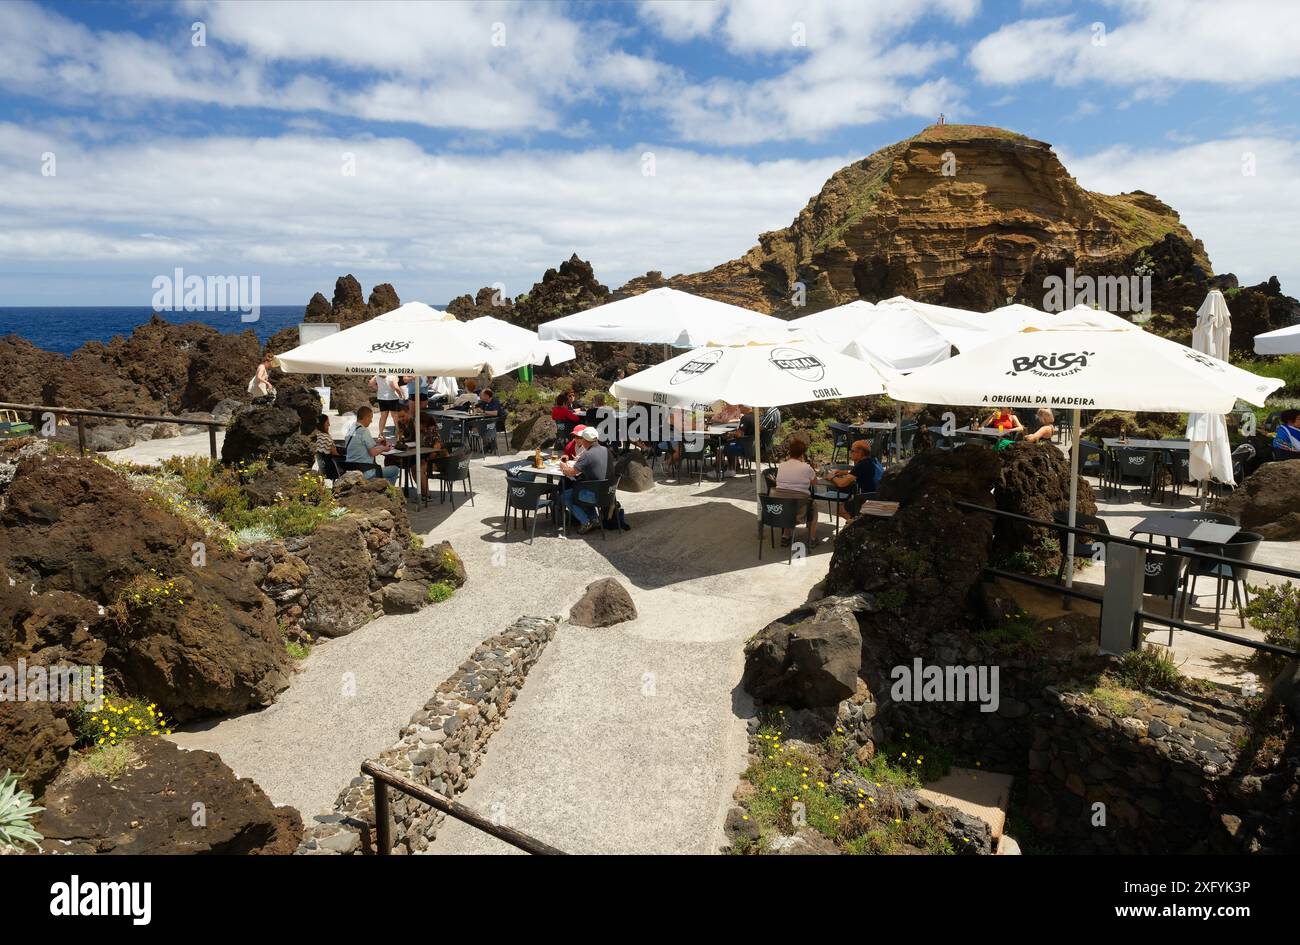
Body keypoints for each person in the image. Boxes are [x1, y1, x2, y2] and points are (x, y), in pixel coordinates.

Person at [559, 426, 610, 534]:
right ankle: (595, 519)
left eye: (581, 439)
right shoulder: (606, 450)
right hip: (607, 493)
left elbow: (572, 472)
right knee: (582, 489)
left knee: (566, 496)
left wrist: (563, 466)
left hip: (594, 494)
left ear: (585, 441)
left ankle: (585, 521)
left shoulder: (587, 454)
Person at [770, 437, 819, 546]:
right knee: (814, 506)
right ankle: (812, 538)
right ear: (803, 454)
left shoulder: (781, 466)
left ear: (790, 451)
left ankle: (786, 535)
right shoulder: (806, 467)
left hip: (781, 508)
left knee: (788, 499)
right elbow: (815, 482)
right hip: (799, 508)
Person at [825, 440, 884, 519]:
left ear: (859, 453)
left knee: (841, 509)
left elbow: (842, 483)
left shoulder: (861, 465)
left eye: (852, 451)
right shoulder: (874, 461)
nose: (850, 453)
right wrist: (844, 472)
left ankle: (855, 526)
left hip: (870, 499)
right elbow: (859, 471)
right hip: (880, 497)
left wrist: (832, 477)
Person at [343, 406, 399, 485]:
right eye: (370, 418)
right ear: (366, 417)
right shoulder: (364, 431)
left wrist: (379, 444)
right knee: (395, 470)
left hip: (351, 471)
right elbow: (372, 453)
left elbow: (364, 447)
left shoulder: (351, 429)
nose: (371, 421)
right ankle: (387, 495)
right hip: (365, 472)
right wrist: (384, 449)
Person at [372, 373, 406, 438]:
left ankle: (381, 434)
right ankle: (399, 433)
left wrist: (379, 389)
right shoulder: (393, 375)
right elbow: (396, 387)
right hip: (392, 398)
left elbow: (371, 383)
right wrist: (401, 395)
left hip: (381, 398)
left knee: (383, 417)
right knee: (395, 417)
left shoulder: (377, 375)